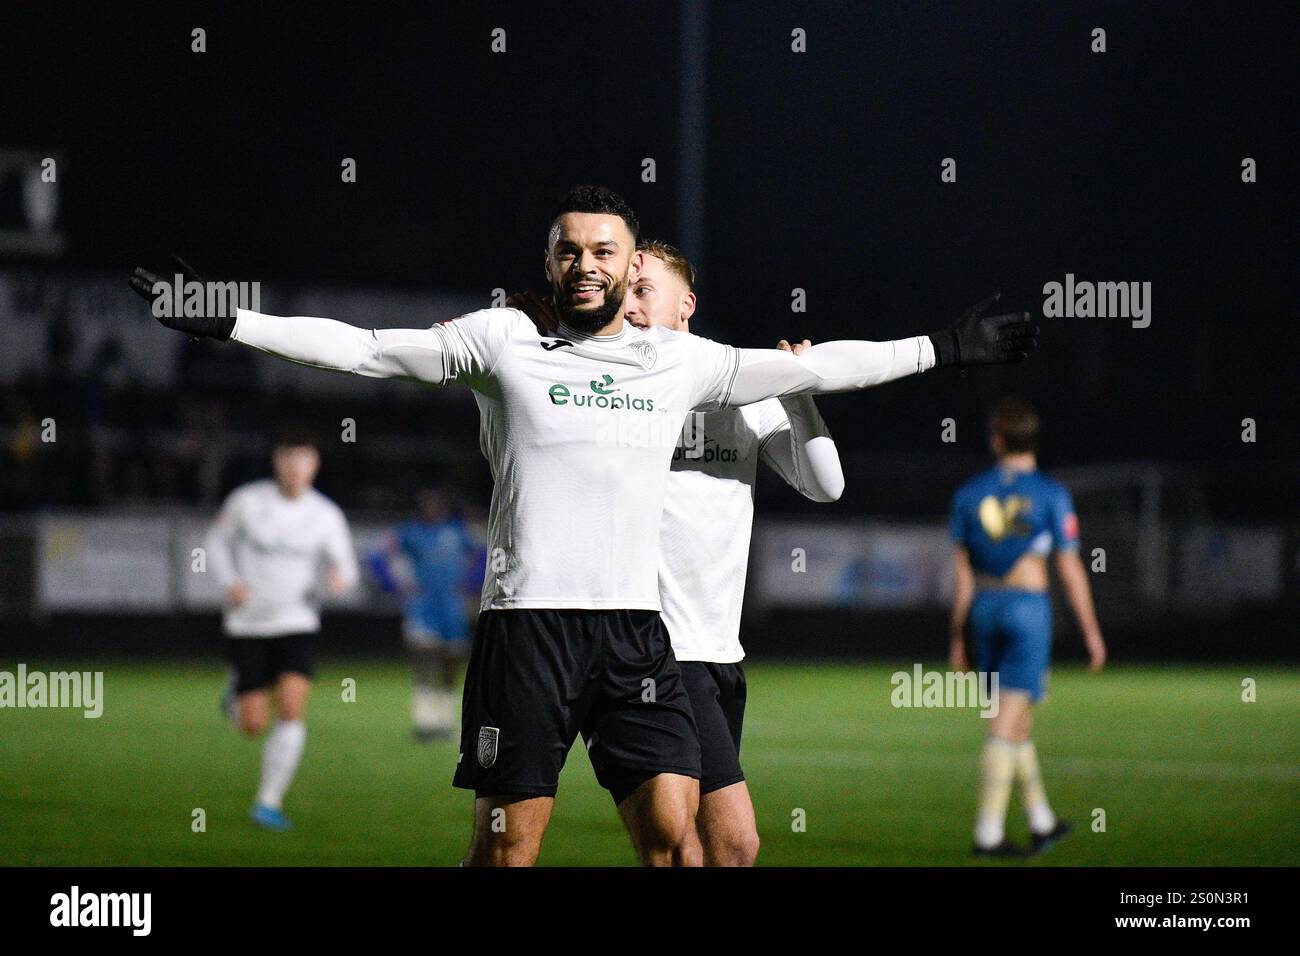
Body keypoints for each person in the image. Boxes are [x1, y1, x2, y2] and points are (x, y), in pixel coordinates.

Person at [131, 184, 1036, 866]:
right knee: (508, 848)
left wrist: (944, 348)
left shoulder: (677, 361)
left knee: (677, 829)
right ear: (552, 265)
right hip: (527, 631)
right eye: (571, 251)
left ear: (630, 261)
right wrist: (229, 320)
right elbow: (367, 350)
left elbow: (818, 369)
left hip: (635, 634)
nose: (588, 264)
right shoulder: (501, 343)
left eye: (606, 250)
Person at [513, 239, 842, 865]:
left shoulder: (739, 389)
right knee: (733, 844)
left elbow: (826, 486)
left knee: (690, 852)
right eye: (623, 292)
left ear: (685, 304)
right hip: (651, 648)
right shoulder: (607, 390)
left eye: (644, 291)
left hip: (720, 649)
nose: (630, 306)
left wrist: (799, 391)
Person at [948, 397, 1106, 857]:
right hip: (1026, 611)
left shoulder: (969, 493)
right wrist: (1092, 633)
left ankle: (1041, 821)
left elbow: (960, 575)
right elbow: (1071, 570)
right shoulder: (1052, 493)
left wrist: (957, 636)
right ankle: (988, 834)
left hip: (983, 609)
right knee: (1005, 722)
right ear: (1033, 439)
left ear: (996, 440)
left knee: (1018, 718)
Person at [205, 431, 359, 830]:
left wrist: (339, 580)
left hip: (298, 622)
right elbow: (215, 544)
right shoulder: (247, 502)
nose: (294, 468)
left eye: (303, 460)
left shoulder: (326, 515)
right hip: (248, 623)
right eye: (288, 459)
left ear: (314, 466)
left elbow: (346, 566)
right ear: (277, 462)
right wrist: (230, 582)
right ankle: (237, 691)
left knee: (291, 707)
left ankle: (268, 801)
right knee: (252, 725)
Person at [371, 487, 482, 741]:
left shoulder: (457, 531)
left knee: (451, 662)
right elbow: (377, 559)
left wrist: (471, 584)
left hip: (452, 609)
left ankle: (446, 722)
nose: (431, 508)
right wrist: (395, 585)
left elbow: (482, 555)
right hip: (422, 607)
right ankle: (424, 722)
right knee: (423, 658)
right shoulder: (409, 532)